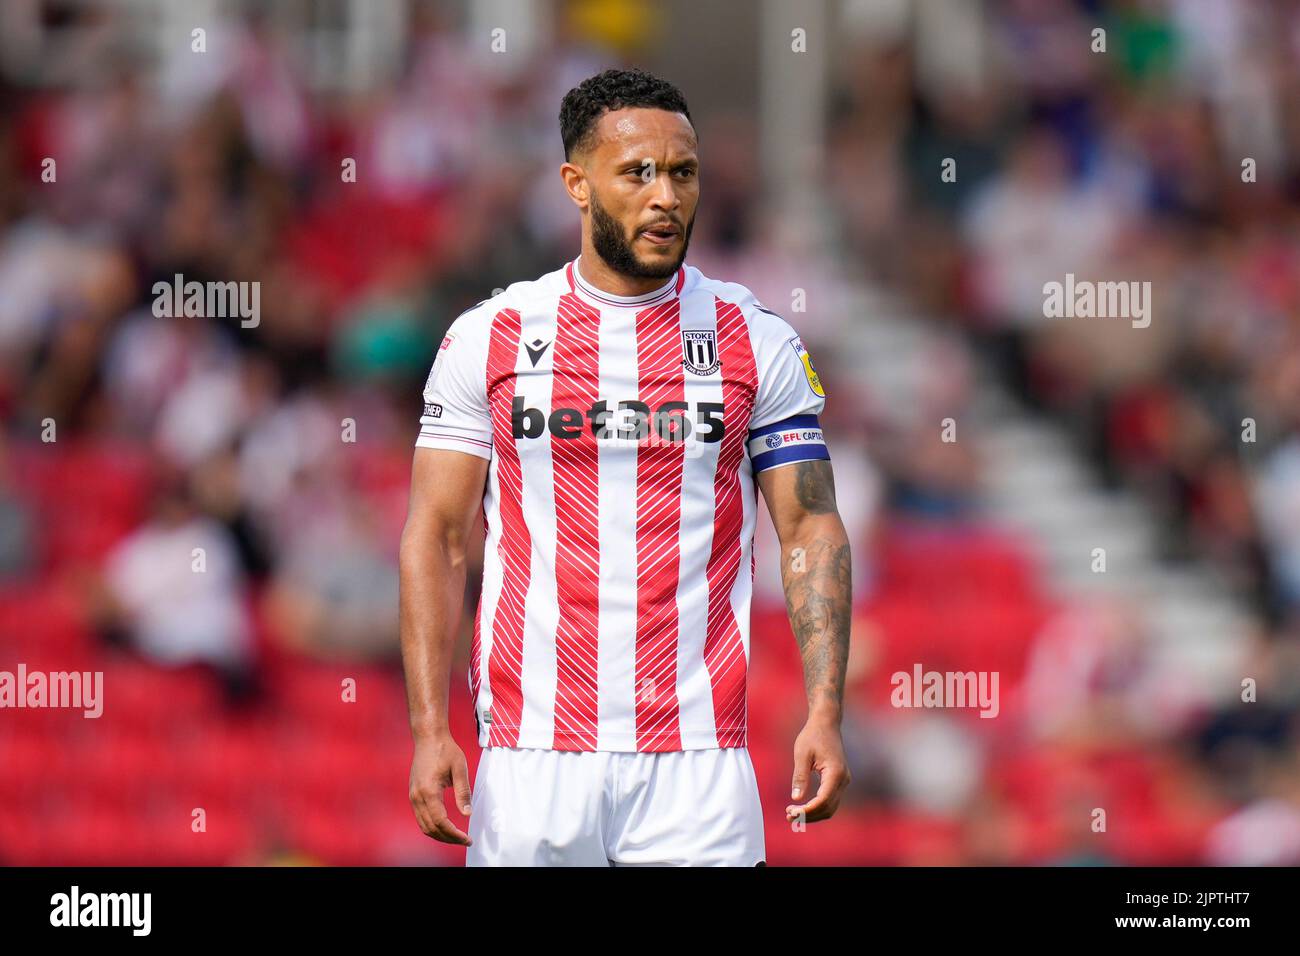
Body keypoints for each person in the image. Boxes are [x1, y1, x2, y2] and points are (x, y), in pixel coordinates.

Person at [399, 68, 852, 866]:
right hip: (532, 756)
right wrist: (431, 727)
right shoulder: (489, 337)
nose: (666, 196)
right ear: (577, 184)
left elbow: (810, 527)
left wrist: (825, 708)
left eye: (682, 172)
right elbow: (437, 536)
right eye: (637, 172)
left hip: (699, 761)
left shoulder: (758, 339)